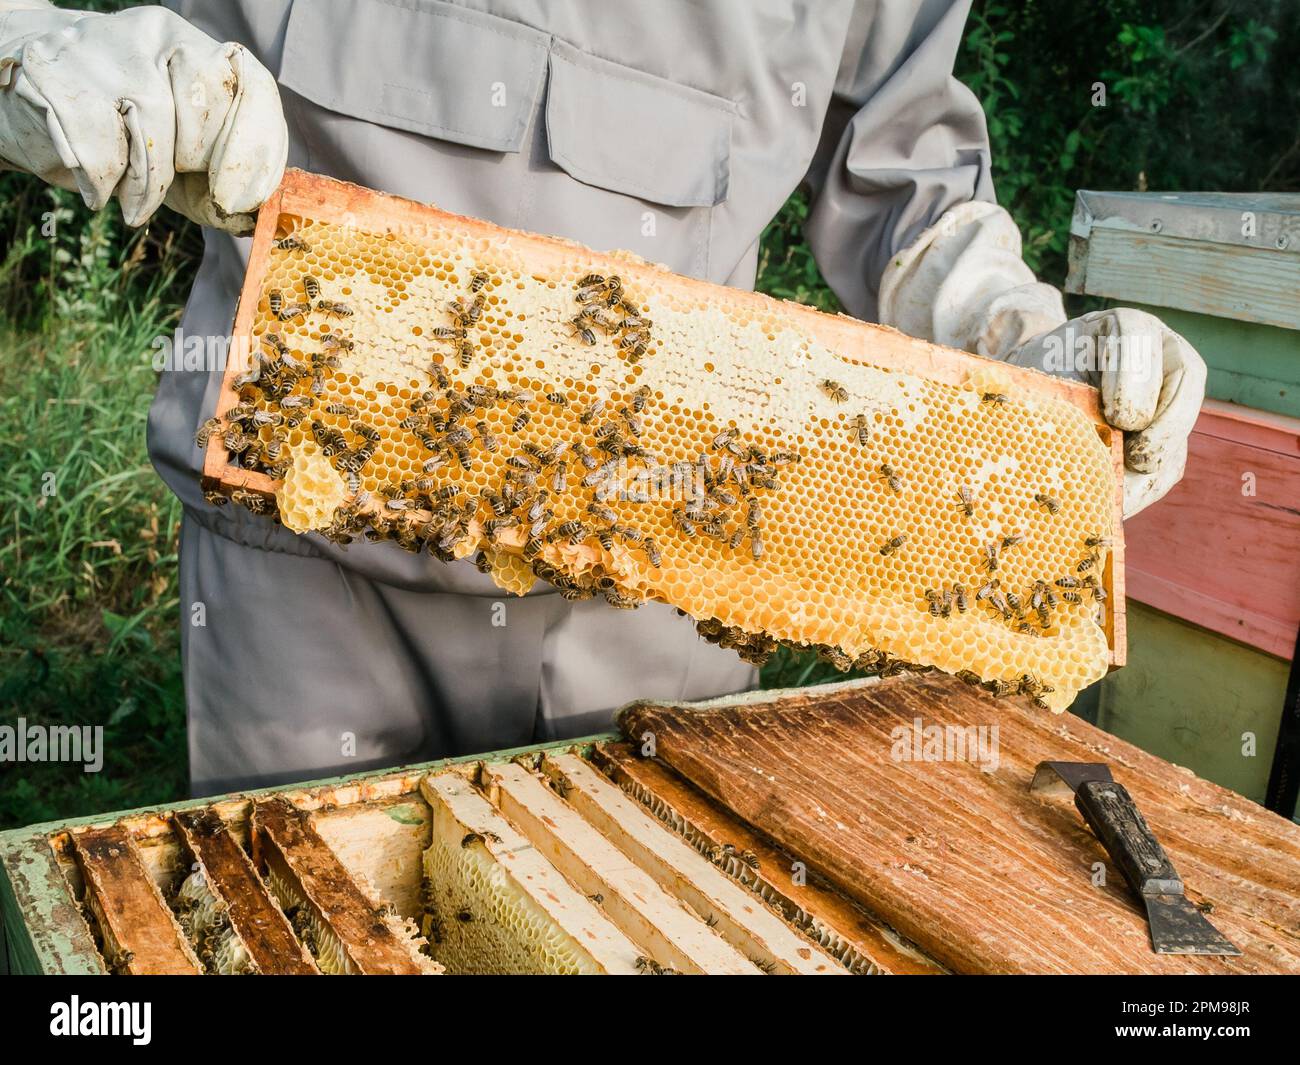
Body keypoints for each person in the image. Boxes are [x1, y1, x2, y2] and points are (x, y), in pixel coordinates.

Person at [0, 0, 1206, 796]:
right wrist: (30, 38)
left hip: (663, 571)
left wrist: (1016, 341)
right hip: (297, 553)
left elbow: (909, 190)